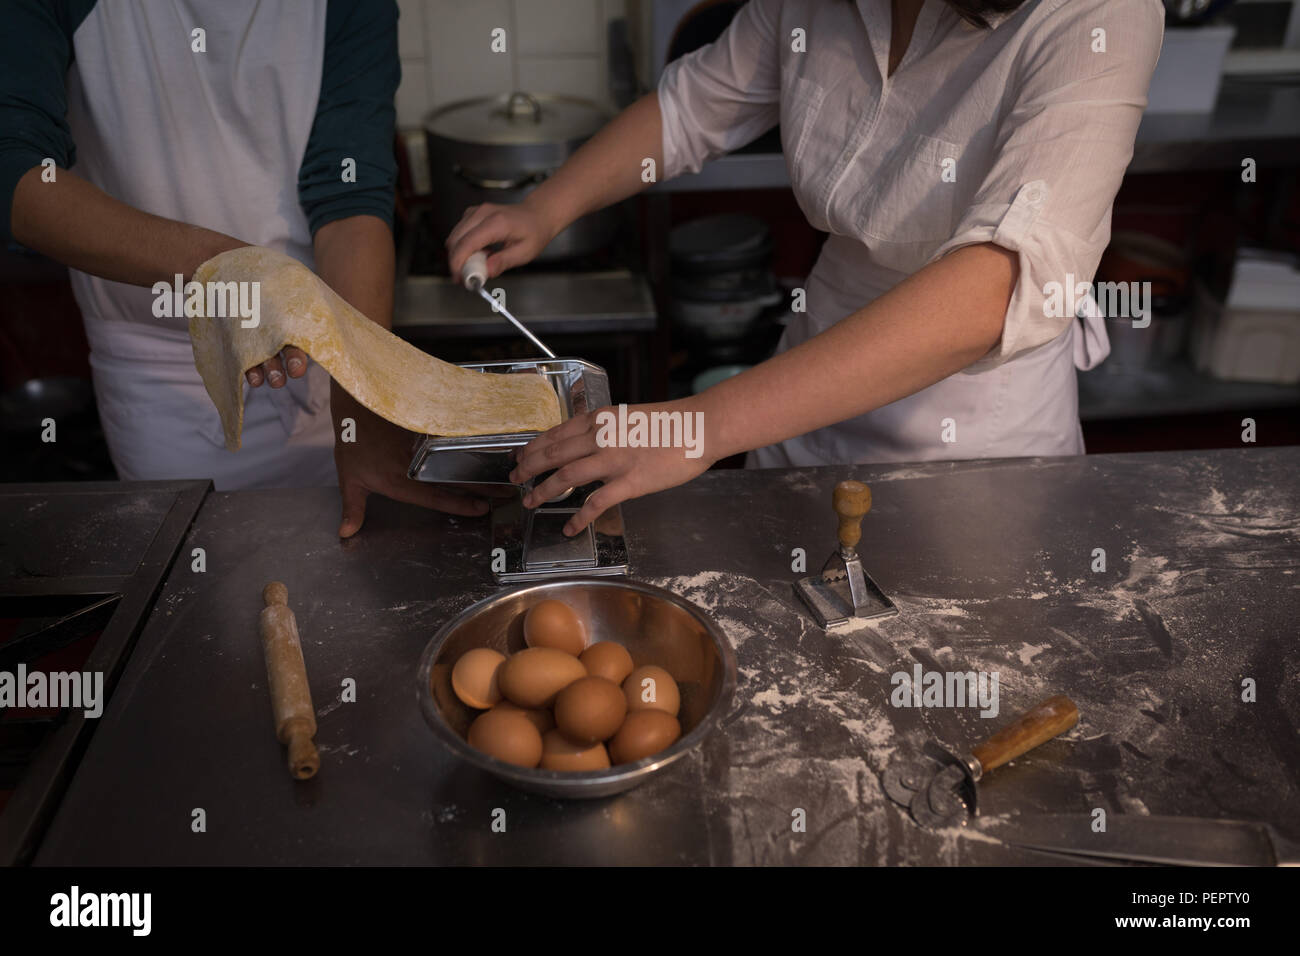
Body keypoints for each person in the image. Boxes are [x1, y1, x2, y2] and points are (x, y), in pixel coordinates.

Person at [446, 0, 1164, 536]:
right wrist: (546, 208)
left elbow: (995, 284)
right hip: (802, 395)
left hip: (975, 437)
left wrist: (696, 428)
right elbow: (696, 105)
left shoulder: (1099, 15)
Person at [1, 0, 481, 536]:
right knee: (202, 590)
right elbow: (16, 172)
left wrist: (362, 408)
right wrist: (231, 271)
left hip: (324, 358)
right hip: (164, 382)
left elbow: (348, 199)